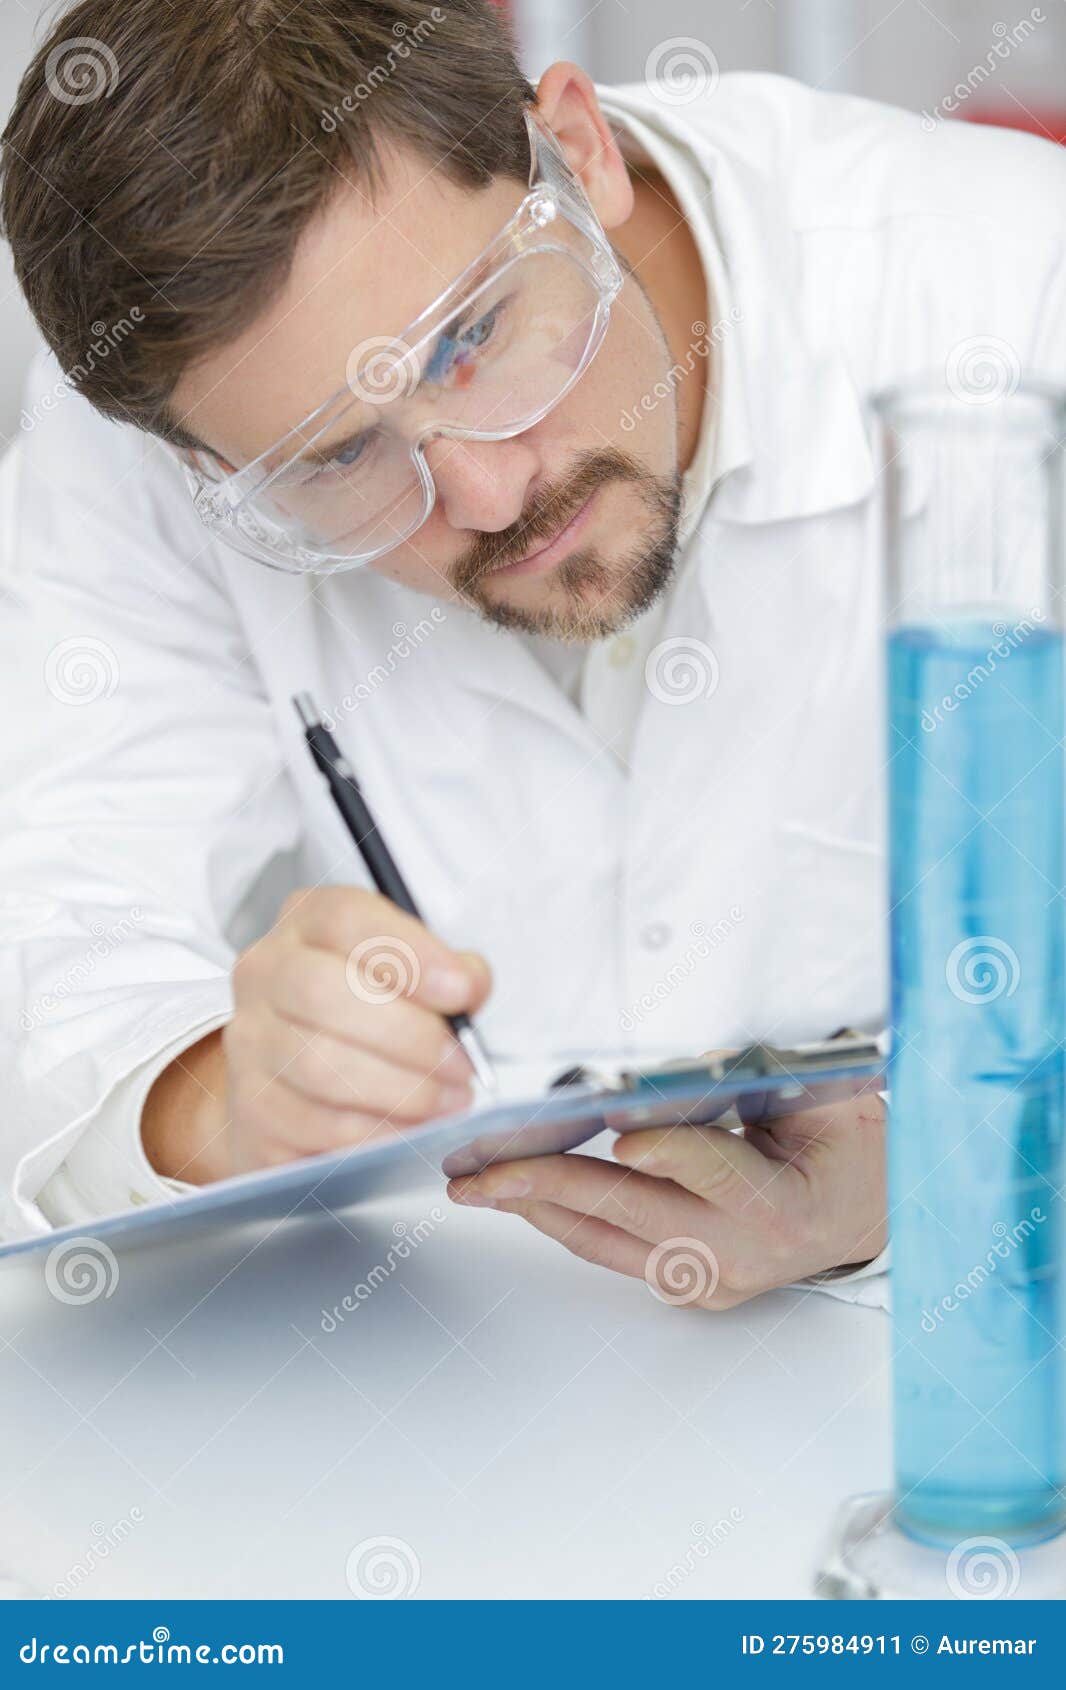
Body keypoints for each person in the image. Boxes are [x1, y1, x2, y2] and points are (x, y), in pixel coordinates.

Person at [1, 0, 1063, 1311]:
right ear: (198, 463)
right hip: (436, 1432)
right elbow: (51, 915)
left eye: (477, 334)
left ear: (579, 146)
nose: (491, 495)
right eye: (337, 456)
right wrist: (213, 1101)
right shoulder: (174, 420)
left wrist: (947, 1177)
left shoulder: (1018, 292)